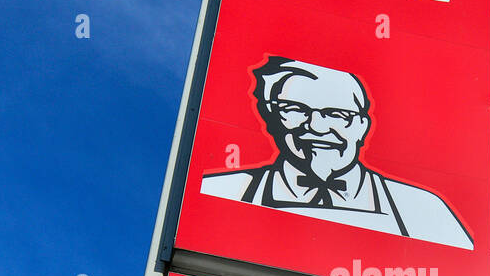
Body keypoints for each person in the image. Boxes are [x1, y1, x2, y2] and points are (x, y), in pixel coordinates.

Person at [200, 57, 473, 250]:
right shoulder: (221, 192)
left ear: (362, 126)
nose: (317, 127)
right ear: (272, 119)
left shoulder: (423, 211)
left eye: (337, 115)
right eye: (296, 110)